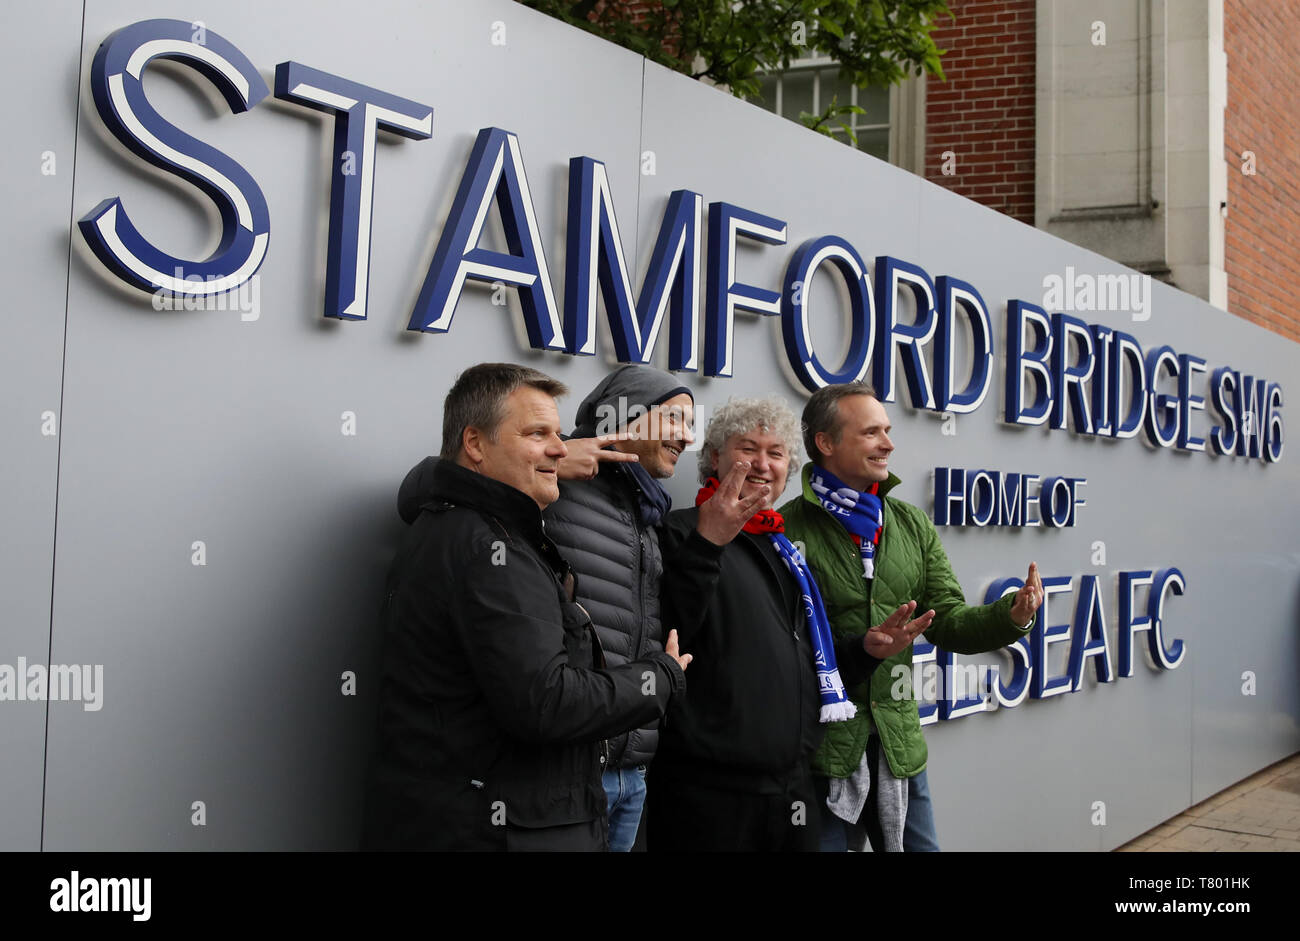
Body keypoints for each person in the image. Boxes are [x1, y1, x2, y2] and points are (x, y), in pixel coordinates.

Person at [361, 363, 690, 851]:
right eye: (538, 434)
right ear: (475, 444)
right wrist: (659, 678)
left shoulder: (500, 530)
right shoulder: (488, 545)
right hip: (501, 824)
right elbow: (547, 701)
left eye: (558, 434)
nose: (559, 448)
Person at [646, 396, 925, 852]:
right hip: (710, 799)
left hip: (790, 792)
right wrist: (708, 544)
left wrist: (865, 651)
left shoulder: (783, 547)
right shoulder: (680, 534)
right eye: (747, 448)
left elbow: (806, 662)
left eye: (775, 453)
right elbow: (671, 636)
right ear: (715, 457)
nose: (761, 464)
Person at [780, 382, 1042, 852]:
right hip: (819, 755)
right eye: (871, 432)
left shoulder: (909, 523)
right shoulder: (786, 529)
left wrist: (1012, 617)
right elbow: (780, 651)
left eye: (887, 430)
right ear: (826, 442)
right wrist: (861, 648)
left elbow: (947, 620)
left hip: (897, 746)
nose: (888, 443)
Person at [540, 364, 694, 852]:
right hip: (568, 774)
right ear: (625, 416)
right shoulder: (552, 476)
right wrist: (547, 463)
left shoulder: (647, 511)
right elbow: (435, 489)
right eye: (674, 420)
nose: (686, 437)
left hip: (632, 773)